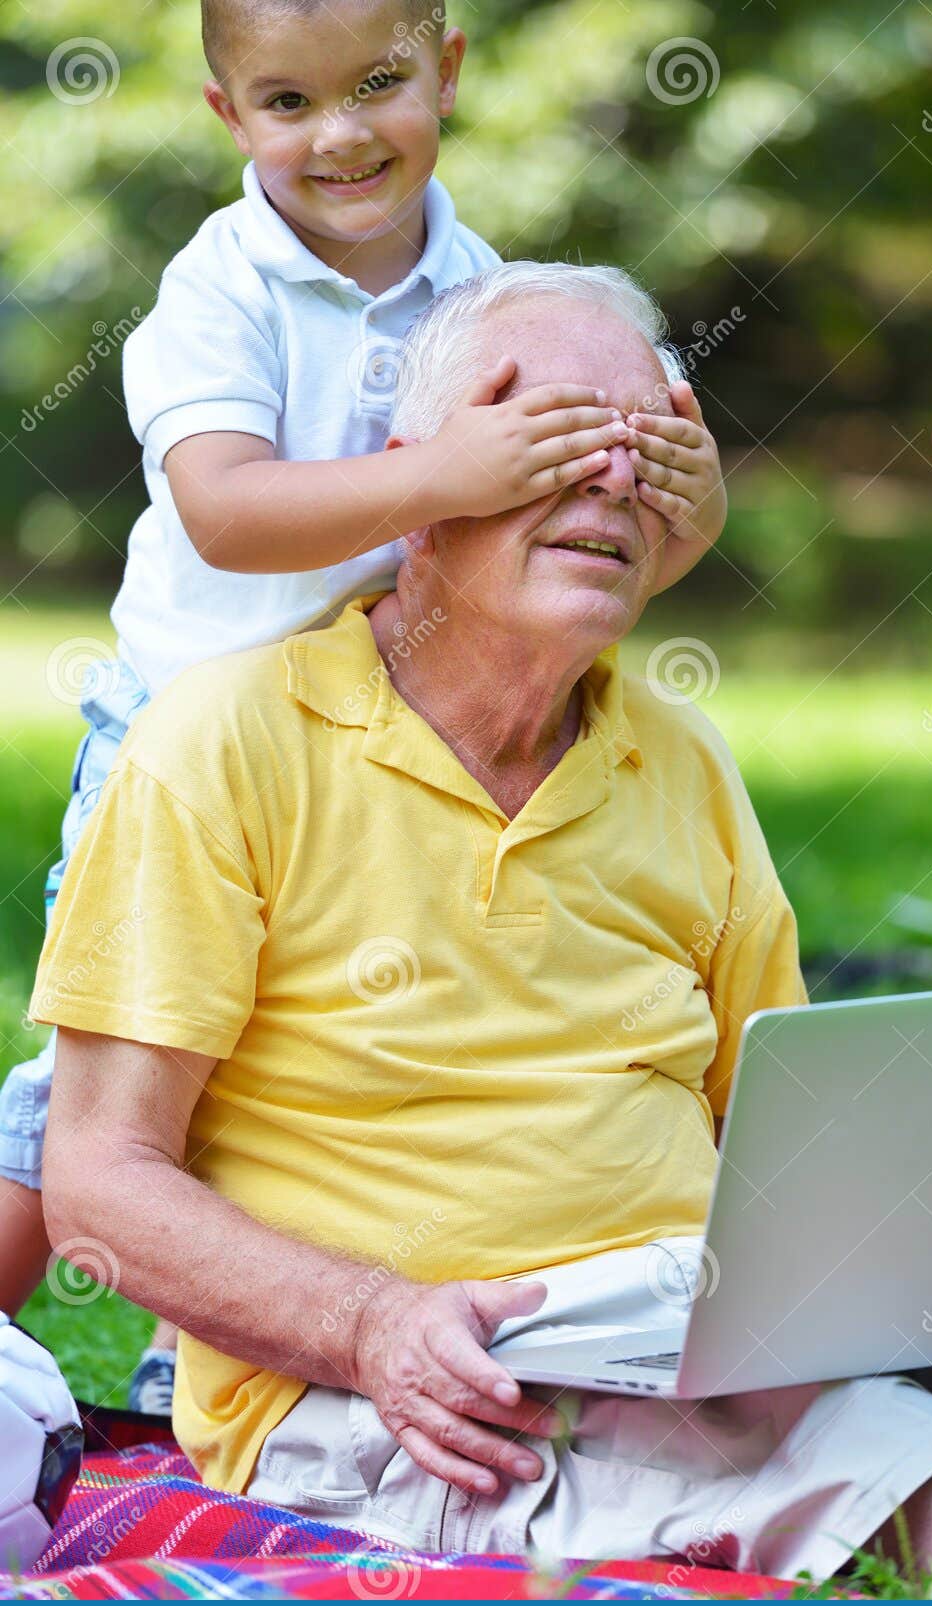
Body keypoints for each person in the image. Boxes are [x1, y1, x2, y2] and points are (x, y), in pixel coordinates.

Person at [30, 263, 932, 1585]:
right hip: (440, 1395)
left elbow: (785, 1141)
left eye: (648, 449)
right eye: (554, 438)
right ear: (420, 482)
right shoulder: (227, 741)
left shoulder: (680, 762)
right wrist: (370, 1324)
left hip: (692, 1331)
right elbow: (98, 1180)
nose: (612, 482)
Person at [0, 0, 727, 1416]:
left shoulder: (488, 287)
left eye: (378, 84)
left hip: (382, 737)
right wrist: (447, 472)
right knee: (97, 1086)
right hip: (184, 732)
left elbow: (578, 528)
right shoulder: (223, 291)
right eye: (286, 103)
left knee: (318, 1048)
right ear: (228, 117)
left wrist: (684, 509)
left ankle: (202, 1346)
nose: (338, 135)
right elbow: (223, 510)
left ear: (448, 73)